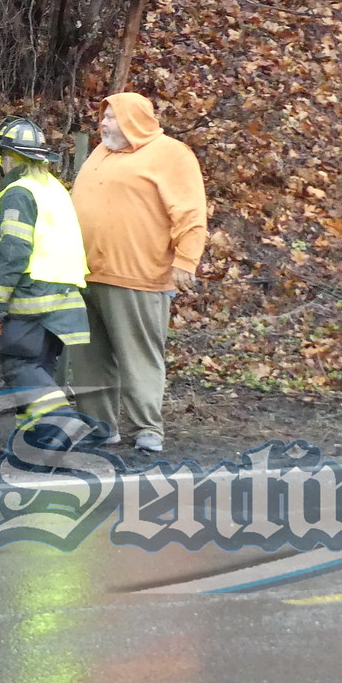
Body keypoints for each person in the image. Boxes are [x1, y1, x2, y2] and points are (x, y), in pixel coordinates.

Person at [70, 93, 207, 453]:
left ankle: (148, 429)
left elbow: (190, 213)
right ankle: (100, 427)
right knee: (87, 359)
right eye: (104, 117)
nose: (103, 124)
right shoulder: (101, 152)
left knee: (139, 357)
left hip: (138, 276)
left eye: (112, 118)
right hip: (85, 274)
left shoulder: (171, 154)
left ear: (134, 120)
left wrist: (185, 261)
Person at [0, 117, 90, 442]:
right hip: (65, 297)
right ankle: (37, 445)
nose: (0, 163)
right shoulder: (53, 188)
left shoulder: (18, 192)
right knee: (40, 367)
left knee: (20, 365)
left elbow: (15, 252)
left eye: (1, 156)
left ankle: (63, 422)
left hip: (33, 294)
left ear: (11, 157)